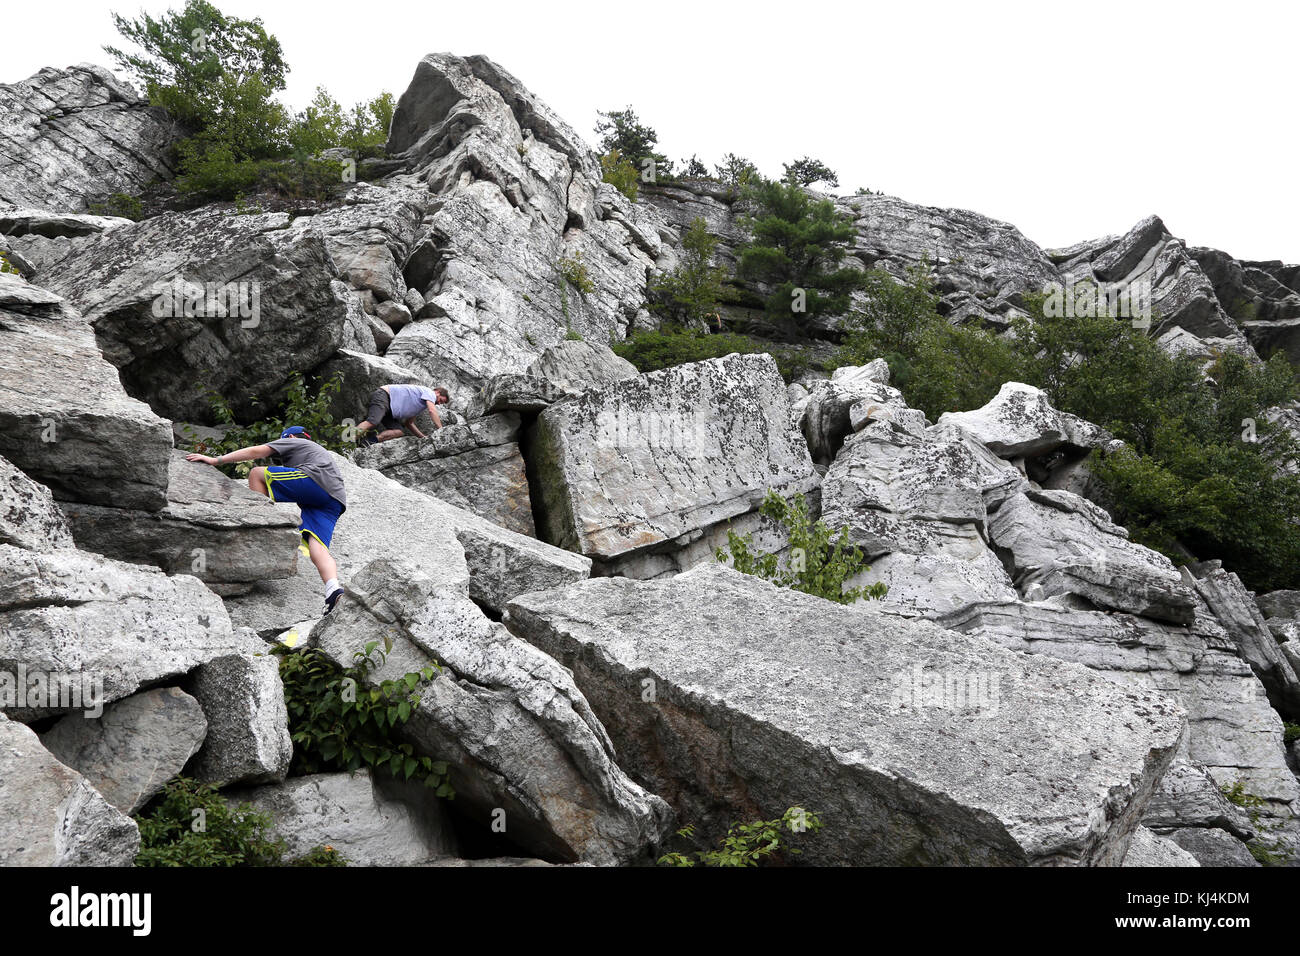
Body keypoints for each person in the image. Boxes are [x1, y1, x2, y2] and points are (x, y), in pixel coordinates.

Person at [186, 426, 348, 614]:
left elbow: (256, 451)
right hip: (334, 499)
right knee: (317, 547)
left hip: (314, 481)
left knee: (257, 473)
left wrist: (216, 460)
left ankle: (260, 523)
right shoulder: (316, 453)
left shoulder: (295, 440)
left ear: (291, 437)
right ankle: (333, 589)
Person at [356, 384, 449, 444]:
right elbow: (432, 411)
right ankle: (347, 439)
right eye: (440, 400)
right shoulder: (429, 392)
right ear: (437, 392)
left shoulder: (420, 405)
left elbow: (409, 424)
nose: (439, 403)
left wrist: (423, 438)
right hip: (385, 396)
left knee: (398, 431)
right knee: (373, 421)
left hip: (390, 410)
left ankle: (368, 442)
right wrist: (442, 430)